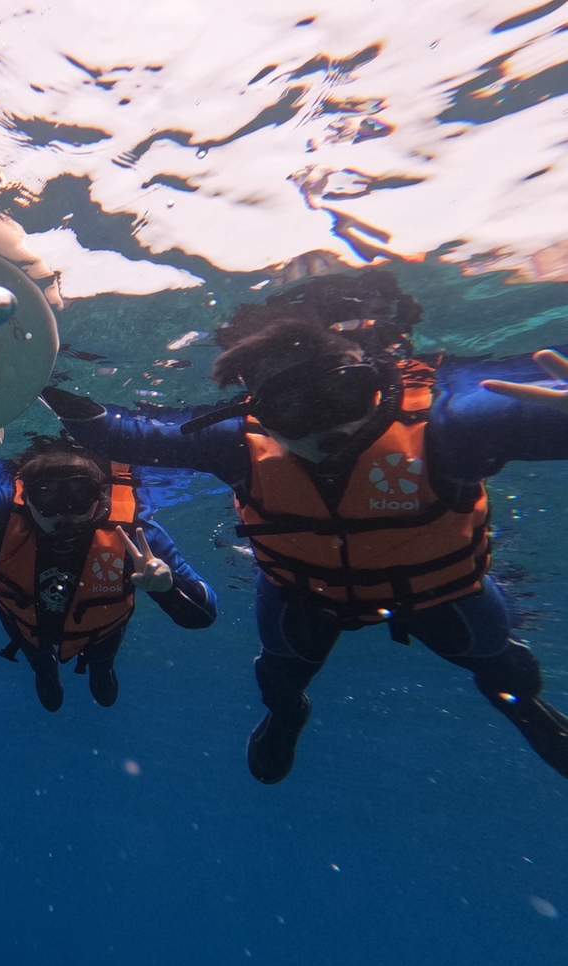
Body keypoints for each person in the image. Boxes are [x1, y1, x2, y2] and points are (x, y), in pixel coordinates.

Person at [41, 270, 568, 780]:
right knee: (280, 675)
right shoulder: (236, 444)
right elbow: (117, 435)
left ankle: (526, 710)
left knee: (503, 669)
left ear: (373, 380)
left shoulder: (452, 426)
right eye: (292, 410)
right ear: (260, 413)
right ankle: (287, 716)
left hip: (441, 591)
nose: (326, 427)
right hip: (307, 593)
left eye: (343, 395)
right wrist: (34, 379)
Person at [0, 438, 217, 711]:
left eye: (79, 495)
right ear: (26, 496)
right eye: (46, 495)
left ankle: (100, 668)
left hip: (101, 631)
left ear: (99, 497)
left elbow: (201, 616)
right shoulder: (4, 516)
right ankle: (44, 668)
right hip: (26, 624)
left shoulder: (134, 536)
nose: (64, 512)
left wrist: (167, 589)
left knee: (102, 665)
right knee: (37, 653)